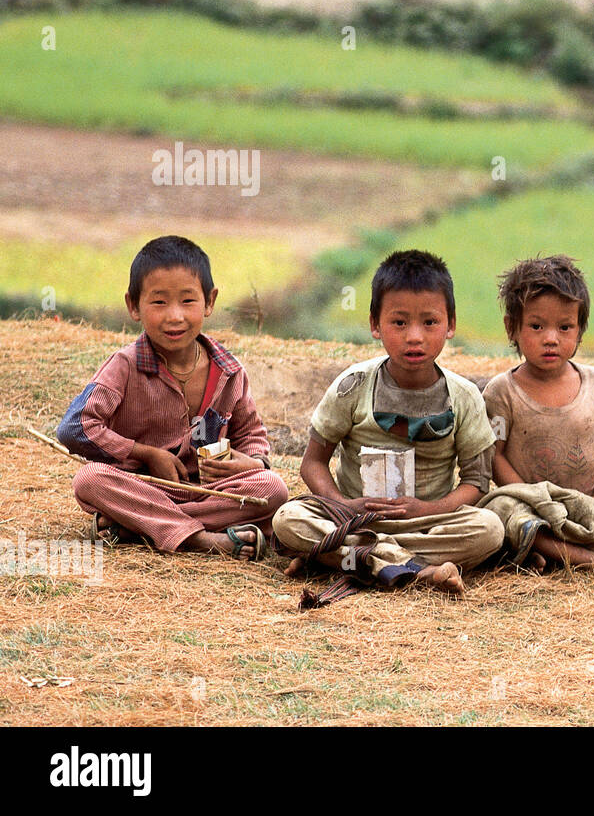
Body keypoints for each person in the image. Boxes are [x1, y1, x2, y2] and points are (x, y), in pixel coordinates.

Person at [272, 250, 503, 603]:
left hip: (425, 525)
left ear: (451, 324)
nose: (415, 337)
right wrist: (345, 505)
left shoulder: (465, 396)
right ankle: (415, 569)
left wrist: (425, 510)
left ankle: (351, 558)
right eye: (399, 323)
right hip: (352, 521)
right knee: (288, 518)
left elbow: (475, 482)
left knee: (489, 529)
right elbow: (313, 463)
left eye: (429, 323)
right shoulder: (353, 385)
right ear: (375, 324)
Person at [57, 235, 287, 560]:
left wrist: (250, 462)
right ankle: (203, 540)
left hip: (207, 493)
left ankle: (136, 527)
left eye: (188, 301)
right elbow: (75, 427)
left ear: (210, 301)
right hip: (142, 487)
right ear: (133, 306)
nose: (175, 316)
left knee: (273, 488)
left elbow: (250, 435)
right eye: (159, 302)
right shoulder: (124, 366)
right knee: (89, 480)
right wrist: (146, 454)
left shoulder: (229, 372)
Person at [482, 255, 594, 578]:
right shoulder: (501, 393)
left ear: (580, 330)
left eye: (564, 327)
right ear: (512, 327)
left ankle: (550, 556)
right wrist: (532, 497)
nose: (551, 338)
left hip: (588, 502)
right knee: (502, 515)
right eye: (537, 326)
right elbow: (494, 456)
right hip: (531, 507)